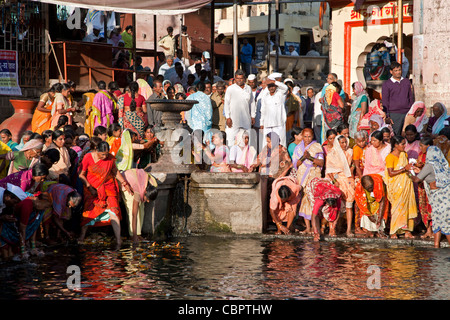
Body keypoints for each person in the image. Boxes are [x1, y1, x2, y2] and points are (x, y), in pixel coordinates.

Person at [78, 141, 133, 248]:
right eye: (102, 154)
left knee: (114, 211)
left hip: (108, 188)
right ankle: (82, 236)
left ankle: (118, 240)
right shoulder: (88, 157)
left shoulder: (110, 159)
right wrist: (90, 187)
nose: (104, 156)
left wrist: (124, 183)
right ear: (96, 150)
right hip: (92, 189)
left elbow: (115, 171)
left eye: (106, 154)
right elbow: (81, 175)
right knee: (89, 213)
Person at [410, 146, 450, 248]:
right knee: (444, 221)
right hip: (446, 198)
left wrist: (409, 173)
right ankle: (436, 246)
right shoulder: (443, 166)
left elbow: (416, 180)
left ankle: (436, 247)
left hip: (437, 198)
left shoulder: (429, 165)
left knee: (440, 222)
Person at [291, 128, 324, 234]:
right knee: (304, 199)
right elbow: (295, 164)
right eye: (305, 136)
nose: (307, 139)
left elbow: (321, 163)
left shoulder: (317, 147)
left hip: (313, 176)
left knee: (313, 200)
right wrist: (303, 158)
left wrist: (309, 158)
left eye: (309, 136)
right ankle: (308, 227)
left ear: (313, 136)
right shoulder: (297, 148)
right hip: (302, 176)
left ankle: (315, 228)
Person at [384, 135, 417, 239]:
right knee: (397, 208)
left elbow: (407, 169)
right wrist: (404, 168)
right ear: (395, 145)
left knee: (407, 206)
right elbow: (390, 173)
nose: (404, 145)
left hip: (406, 183)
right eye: (402, 144)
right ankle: (394, 231)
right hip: (396, 186)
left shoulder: (404, 154)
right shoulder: (390, 157)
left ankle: (406, 230)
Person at [325, 135, 356, 237]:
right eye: (342, 143)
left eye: (345, 142)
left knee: (349, 206)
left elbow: (354, 163)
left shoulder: (350, 152)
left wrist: (352, 167)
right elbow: (329, 169)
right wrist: (334, 181)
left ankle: (348, 230)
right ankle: (332, 229)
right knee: (335, 206)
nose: (344, 144)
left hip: (348, 179)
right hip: (337, 180)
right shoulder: (332, 153)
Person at [120, 168, 158, 244]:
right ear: (145, 192)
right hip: (126, 182)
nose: (147, 201)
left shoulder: (152, 184)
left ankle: (138, 234)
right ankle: (133, 235)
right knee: (132, 207)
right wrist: (134, 236)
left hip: (136, 179)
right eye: (147, 199)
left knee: (141, 208)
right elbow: (134, 214)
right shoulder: (138, 191)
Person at [381, 61, 415, 136]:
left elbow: (410, 97)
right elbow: (385, 101)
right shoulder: (387, 84)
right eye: (395, 70)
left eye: (399, 70)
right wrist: (387, 116)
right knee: (396, 135)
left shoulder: (406, 82)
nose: (398, 72)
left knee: (408, 134)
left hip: (407, 112)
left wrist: (412, 111)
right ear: (391, 72)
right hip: (394, 114)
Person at [224, 70, 256, 147]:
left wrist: (253, 116)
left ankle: (245, 157)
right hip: (233, 119)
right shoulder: (230, 89)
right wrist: (228, 117)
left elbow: (252, 102)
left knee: (247, 138)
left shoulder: (248, 88)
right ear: (235, 78)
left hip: (246, 119)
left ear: (244, 79)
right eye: (237, 78)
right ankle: (231, 157)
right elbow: (226, 104)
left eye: (241, 78)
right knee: (231, 139)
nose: (239, 80)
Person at [260, 78, 288, 147]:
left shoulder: (281, 94)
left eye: (273, 86)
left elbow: (285, 88)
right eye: (270, 86)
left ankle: (281, 157)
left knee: (281, 143)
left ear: (275, 86)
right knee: (266, 144)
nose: (271, 88)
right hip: (267, 124)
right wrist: (261, 123)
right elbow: (263, 110)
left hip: (279, 124)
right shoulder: (265, 96)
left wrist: (274, 82)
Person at [415, 136, 434, 239]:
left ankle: (434, 230)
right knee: (424, 207)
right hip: (422, 185)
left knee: (431, 207)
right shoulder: (420, 155)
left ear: (428, 146)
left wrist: (420, 171)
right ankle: (428, 230)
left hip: (431, 185)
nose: (420, 148)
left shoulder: (433, 156)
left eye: (422, 146)